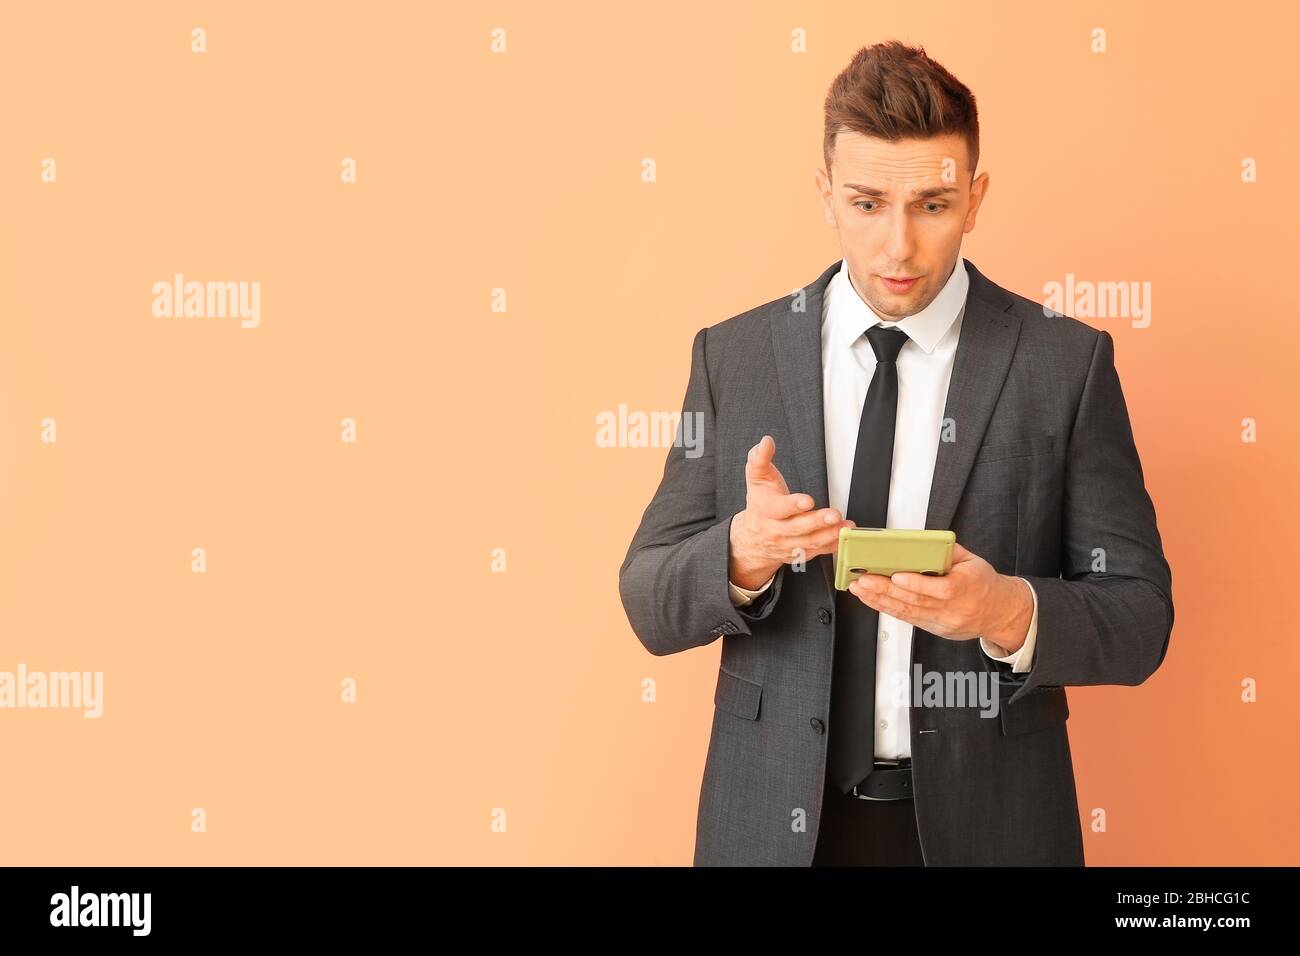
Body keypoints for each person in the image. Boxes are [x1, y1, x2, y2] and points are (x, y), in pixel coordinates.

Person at [618, 40, 1173, 866]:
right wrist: (743, 553)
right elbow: (648, 600)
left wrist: (1005, 612)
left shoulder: (1065, 363)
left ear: (976, 198)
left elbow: (1140, 619)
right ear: (825, 195)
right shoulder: (732, 357)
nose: (898, 249)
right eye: (868, 203)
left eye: (934, 206)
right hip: (771, 826)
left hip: (992, 828)